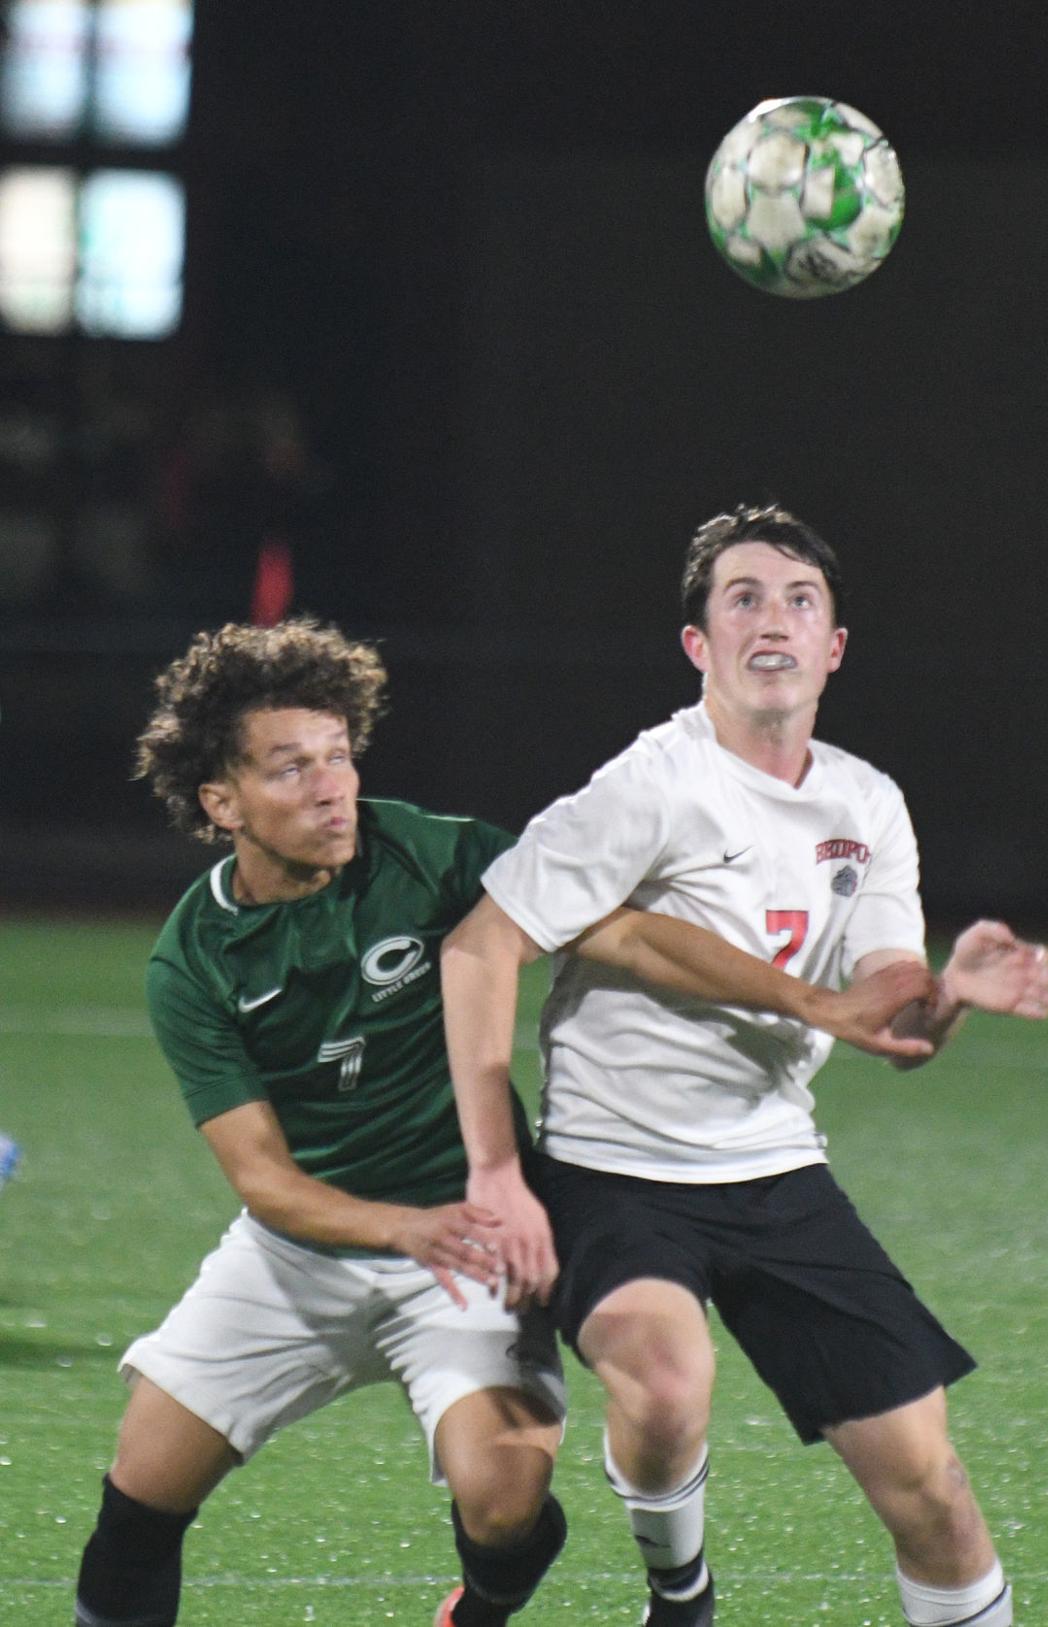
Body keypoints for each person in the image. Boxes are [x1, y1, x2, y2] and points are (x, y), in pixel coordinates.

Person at [74, 615, 937, 1627]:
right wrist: (406, 1227)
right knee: (141, 1490)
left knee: (503, 1502)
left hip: (471, 1249)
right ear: (221, 801)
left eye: (339, 755)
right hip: (299, 1254)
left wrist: (815, 1002)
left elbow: (628, 934)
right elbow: (264, 1180)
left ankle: (481, 1607)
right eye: (290, 768)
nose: (330, 786)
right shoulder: (193, 960)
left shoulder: (428, 856)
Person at [441, 504, 1048, 1627]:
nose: (773, 619)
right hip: (613, 1169)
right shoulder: (650, 784)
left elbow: (894, 1024)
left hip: (775, 1169)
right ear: (699, 643)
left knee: (930, 1484)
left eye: (799, 601)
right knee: (668, 1383)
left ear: (835, 646)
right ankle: (681, 1593)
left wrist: (949, 996)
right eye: (744, 598)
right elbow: (481, 945)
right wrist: (496, 1168)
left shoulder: (867, 803)